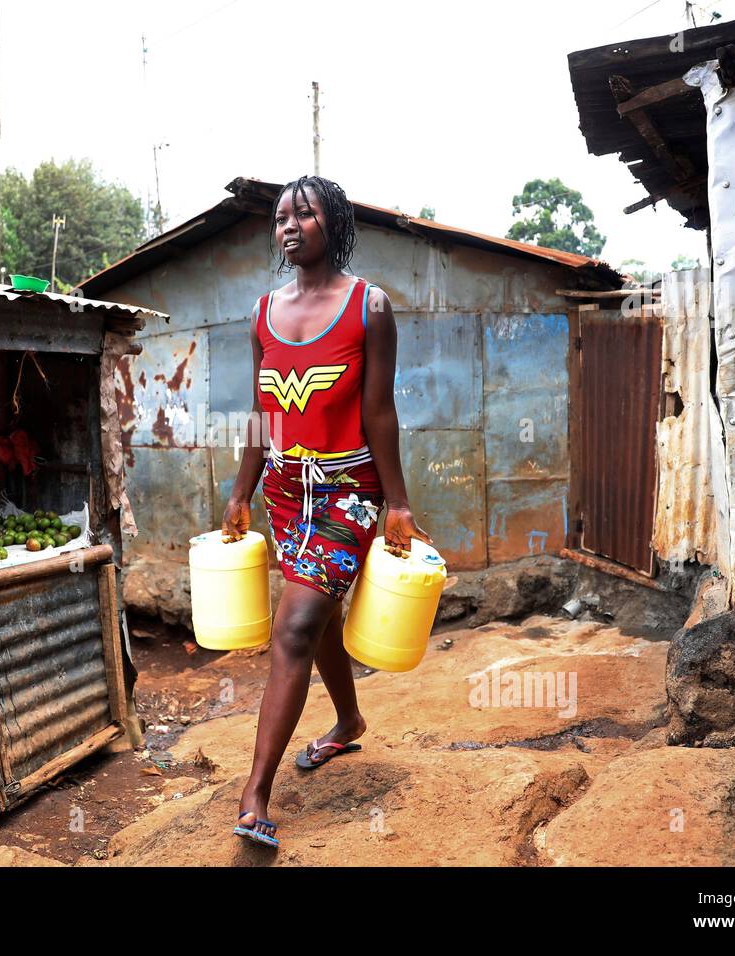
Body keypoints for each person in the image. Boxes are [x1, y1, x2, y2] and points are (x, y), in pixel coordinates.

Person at [220, 175, 432, 849]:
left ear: (331, 226)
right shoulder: (262, 313)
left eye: (304, 214)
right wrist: (239, 493)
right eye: (282, 216)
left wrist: (396, 502)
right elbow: (262, 414)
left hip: (347, 493)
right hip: (285, 493)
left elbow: (379, 412)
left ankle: (254, 795)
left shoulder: (370, 306)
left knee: (294, 627)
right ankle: (348, 724)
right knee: (321, 620)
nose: (288, 225)